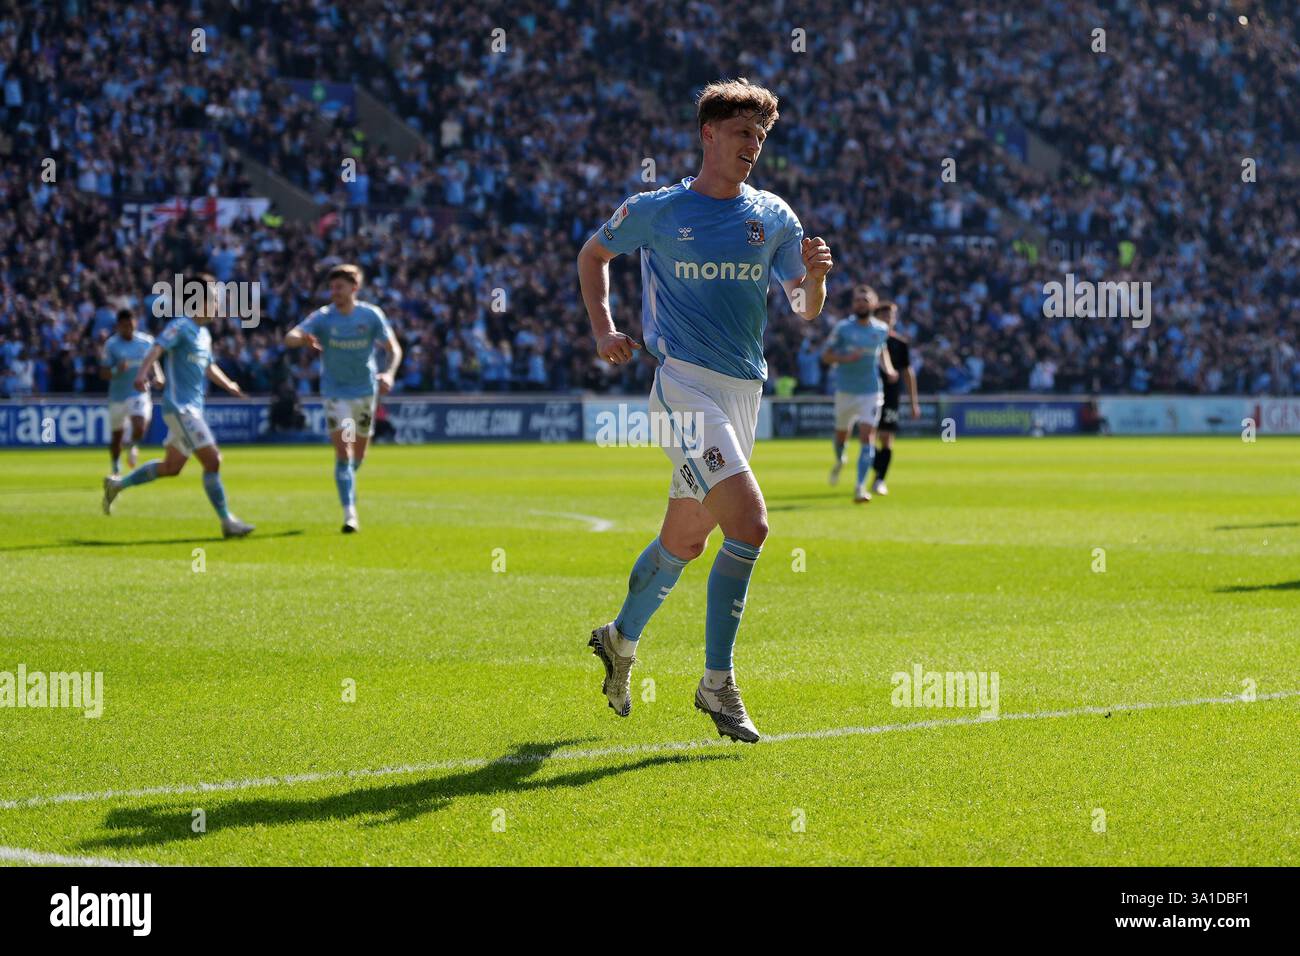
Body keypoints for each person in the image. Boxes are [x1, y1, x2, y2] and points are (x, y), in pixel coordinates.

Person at [575, 78, 833, 743]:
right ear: (709, 134)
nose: (754, 146)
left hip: (743, 392)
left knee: (686, 541)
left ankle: (619, 638)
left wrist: (818, 279)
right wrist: (604, 326)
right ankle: (717, 684)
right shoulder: (657, 209)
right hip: (682, 389)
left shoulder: (773, 216)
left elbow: (803, 308)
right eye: (744, 133)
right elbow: (594, 254)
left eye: (762, 136)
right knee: (749, 525)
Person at [102, 275, 254, 538]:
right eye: (214, 299)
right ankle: (227, 521)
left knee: (171, 467)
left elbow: (208, 366)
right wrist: (142, 375)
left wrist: (229, 385)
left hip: (193, 408)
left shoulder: (203, 334)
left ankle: (117, 485)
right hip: (181, 408)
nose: (218, 304)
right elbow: (157, 348)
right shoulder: (181, 326)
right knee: (213, 460)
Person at [284, 264, 402, 533]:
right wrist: (301, 339)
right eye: (332, 287)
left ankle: (347, 482)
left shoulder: (371, 316)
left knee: (359, 453)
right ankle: (350, 514)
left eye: (340, 287)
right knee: (342, 452)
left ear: (354, 288)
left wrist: (390, 373)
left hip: (365, 391)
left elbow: (393, 348)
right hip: (335, 392)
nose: (334, 291)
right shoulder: (323, 317)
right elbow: (289, 337)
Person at [823, 285, 898, 502]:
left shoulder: (881, 330)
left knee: (868, 437)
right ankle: (840, 460)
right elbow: (826, 356)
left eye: (865, 300)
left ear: (873, 304)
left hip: (871, 391)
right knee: (841, 436)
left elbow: (881, 350)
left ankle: (860, 487)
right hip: (846, 391)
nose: (860, 303)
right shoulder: (842, 328)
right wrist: (847, 358)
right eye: (857, 300)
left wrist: (889, 369)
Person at [101, 309, 162, 475]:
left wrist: (157, 377)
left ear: (135, 323)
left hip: (138, 392)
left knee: (140, 424)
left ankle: (134, 446)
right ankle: (115, 464)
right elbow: (104, 372)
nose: (128, 328)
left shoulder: (146, 342)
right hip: (117, 396)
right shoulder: (111, 345)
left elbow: (153, 362)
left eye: (131, 324)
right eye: (124, 325)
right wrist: (116, 370)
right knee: (117, 437)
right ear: (118, 326)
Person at [871, 301, 920, 495]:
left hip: (891, 396)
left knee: (886, 437)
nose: (888, 318)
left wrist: (913, 402)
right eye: (883, 315)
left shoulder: (900, 344)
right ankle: (877, 467)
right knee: (868, 436)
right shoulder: (869, 339)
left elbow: (908, 373)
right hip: (870, 393)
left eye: (890, 315)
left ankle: (880, 479)